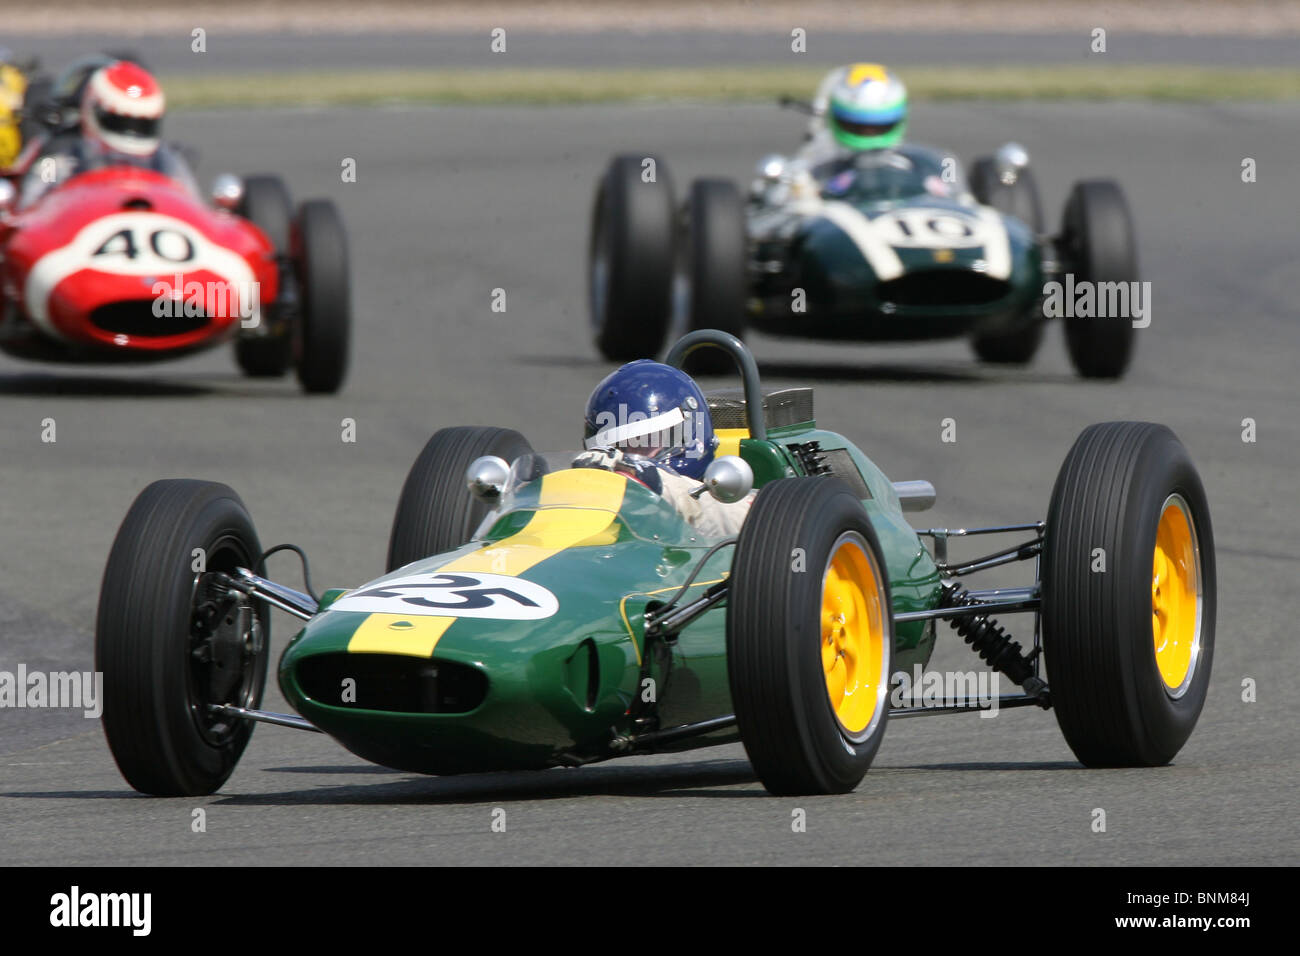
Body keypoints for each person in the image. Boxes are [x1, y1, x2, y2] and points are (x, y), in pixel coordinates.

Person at [577, 359, 753, 538]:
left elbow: (743, 518)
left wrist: (647, 478)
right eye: (616, 447)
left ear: (688, 433)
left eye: (644, 440)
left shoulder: (730, 503)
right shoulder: (591, 496)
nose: (626, 455)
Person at [17, 59, 196, 207]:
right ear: (94, 111)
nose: (131, 133)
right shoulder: (57, 159)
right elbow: (29, 215)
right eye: (119, 120)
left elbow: (192, 210)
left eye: (142, 124)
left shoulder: (170, 165)